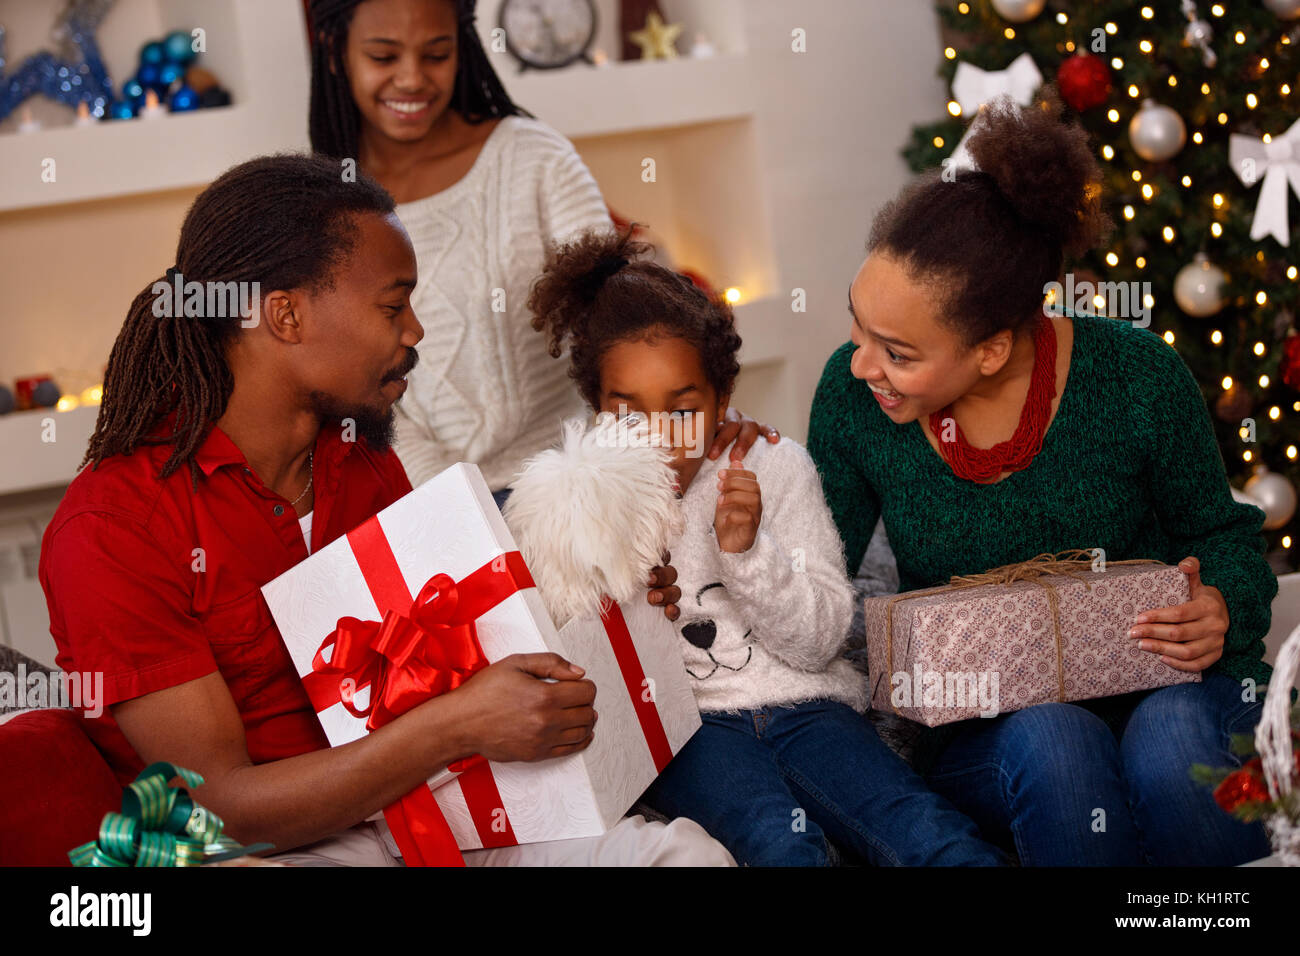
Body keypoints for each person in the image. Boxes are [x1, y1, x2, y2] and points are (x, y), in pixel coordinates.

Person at [38, 154, 733, 867]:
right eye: (393, 306)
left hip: (428, 800)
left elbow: (455, 648)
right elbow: (221, 808)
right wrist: (452, 728)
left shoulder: (357, 454)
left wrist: (610, 605)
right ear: (285, 314)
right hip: (268, 851)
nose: (416, 331)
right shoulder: (113, 529)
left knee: (682, 857)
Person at [806, 93, 1276, 866]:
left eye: (897, 351)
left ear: (990, 350)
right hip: (991, 727)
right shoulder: (851, 398)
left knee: (1171, 744)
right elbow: (811, 574)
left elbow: (1222, 536)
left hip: (1172, 690)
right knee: (1057, 743)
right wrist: (749, 495)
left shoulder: (1138, 378)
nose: (861, 364)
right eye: (857, 324)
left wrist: (1221, 603)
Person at [527, 226, 1007, 866]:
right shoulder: (571, 501)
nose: (660, 436)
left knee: (928, 834)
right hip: (690, 733)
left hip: (809, 709)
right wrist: (634, 595)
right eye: (629, 410)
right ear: (595, 407)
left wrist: (747, 553)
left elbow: (821, 640)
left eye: (682, 406)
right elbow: (584, 666)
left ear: (722, 399)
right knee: (782, 845)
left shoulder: (776, 467)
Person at [307, 0, 775, 509]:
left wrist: (697, 415)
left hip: (577, 480)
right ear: (335, 51)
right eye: (383, 56)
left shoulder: (535, 158)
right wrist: (455, 505)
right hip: (425, 498)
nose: (412, 78)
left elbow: (623, 317)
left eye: (437, 54)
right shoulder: (325, 202)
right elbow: (354, 380)